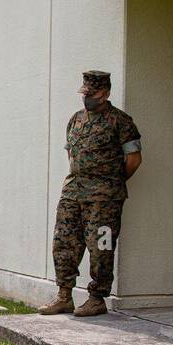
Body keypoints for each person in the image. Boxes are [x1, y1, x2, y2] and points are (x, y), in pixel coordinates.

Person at [38, 70, 142, 317]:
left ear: (105, 94)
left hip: (104, 198)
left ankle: (97, 298)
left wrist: (109, 183)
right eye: (84, 93)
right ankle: (64, 296)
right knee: (63, 243)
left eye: (92, 94)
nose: (86, 98)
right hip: (73, 193)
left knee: (100, 247)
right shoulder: (76, 119)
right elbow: (71, 154)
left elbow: (134, 159)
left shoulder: (121, 121)